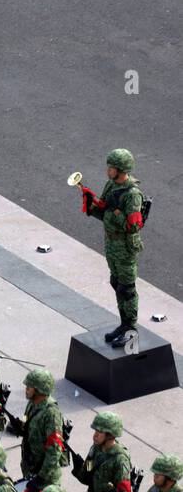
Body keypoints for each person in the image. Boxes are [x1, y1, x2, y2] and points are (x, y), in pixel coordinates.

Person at [78, 148, 146, 347]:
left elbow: (133, 226)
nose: (108, 170)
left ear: (121, 169)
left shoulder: (132, 194)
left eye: (112, 168)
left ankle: (131, 329)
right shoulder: (111, 186)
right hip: (111, 243)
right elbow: (104, 213)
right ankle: (124, 324)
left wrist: (116, 210)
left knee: (127, 289)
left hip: (124, 246)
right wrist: (93, 206)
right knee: (116, 283)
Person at [13, 367, 70, 492]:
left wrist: (41, 478)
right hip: (30, 467)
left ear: (40, 390)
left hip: (45, 478)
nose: (26, 388)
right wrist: (20, 427)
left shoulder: (51, 414)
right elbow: (27, 422)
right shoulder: (32, 404)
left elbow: (55, 450)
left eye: (30, 386)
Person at [72, 411, 136, 492]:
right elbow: (87, 477)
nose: (95, 435)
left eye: (100, 431)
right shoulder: (96, 449)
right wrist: (80, 468)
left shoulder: (120, 460)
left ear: (110, 435)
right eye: (95, 430)